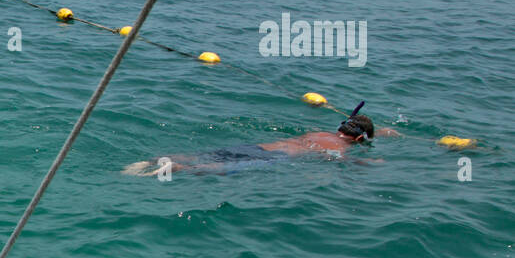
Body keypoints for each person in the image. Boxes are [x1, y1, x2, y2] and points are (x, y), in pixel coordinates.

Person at [123, 103, 395, 176]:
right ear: (358, 138)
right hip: (274, 158)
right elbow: (339, 160)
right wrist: (373, 163)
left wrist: (378, 131)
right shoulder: (342, 148)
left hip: (259, 147)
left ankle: (149, 161)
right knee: (216, 170)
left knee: (212, 154)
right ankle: (178, 169)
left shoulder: (321, 134)